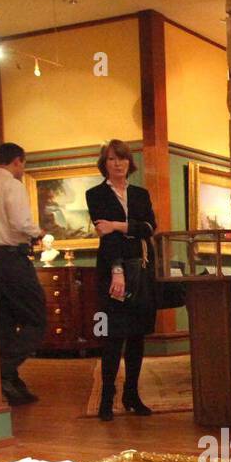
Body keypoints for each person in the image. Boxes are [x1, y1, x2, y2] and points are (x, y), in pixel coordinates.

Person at [86, 139, 157, 421]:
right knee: (113, 335)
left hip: (141, 268)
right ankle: (107, 397)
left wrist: (117, 225)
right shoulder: (95, 194)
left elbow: (150, 227)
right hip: (113, 270)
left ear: (130, 162)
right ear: (105, 163)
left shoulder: (140, 193)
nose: (118, 164)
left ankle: (131, 394)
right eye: (113, 159)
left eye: (123, 159)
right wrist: (117, 271)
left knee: (138, 335)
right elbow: (107, 236)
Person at [0, 142, 47, 406]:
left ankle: (10, 382)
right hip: (13, 258)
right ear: (18, 161)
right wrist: (39, 233)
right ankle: (1, 369)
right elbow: (20, 222)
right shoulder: (12, 185)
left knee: (5, 321)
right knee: (37, 317)